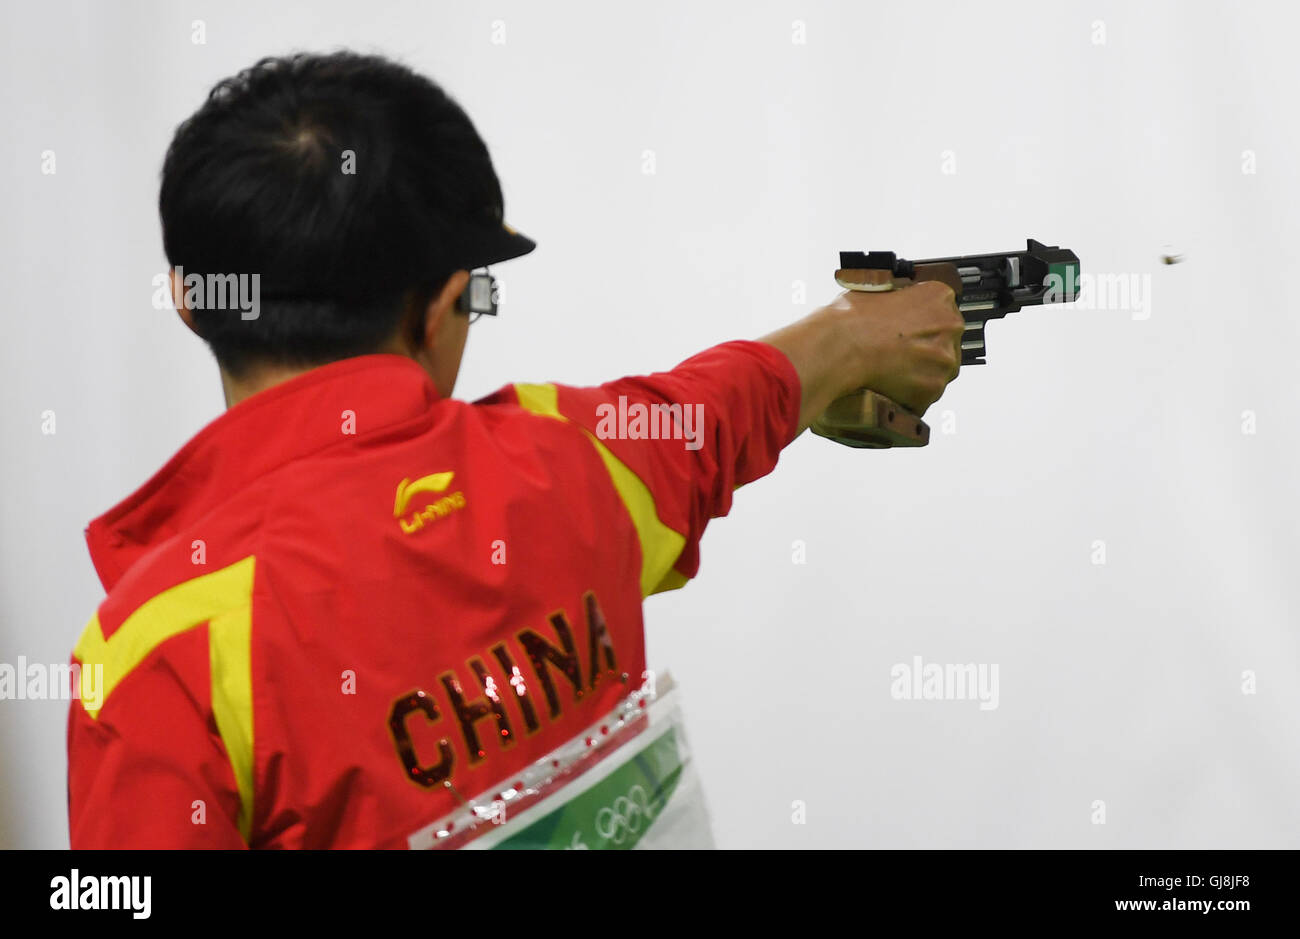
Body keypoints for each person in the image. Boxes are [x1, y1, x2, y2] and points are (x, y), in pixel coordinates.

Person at [66, 51, 963, 848]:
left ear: (189, 299)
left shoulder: (155, 656)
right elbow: (711, 417)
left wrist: (843, 346)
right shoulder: (571, 460)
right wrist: (852, 338)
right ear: (439, 303)